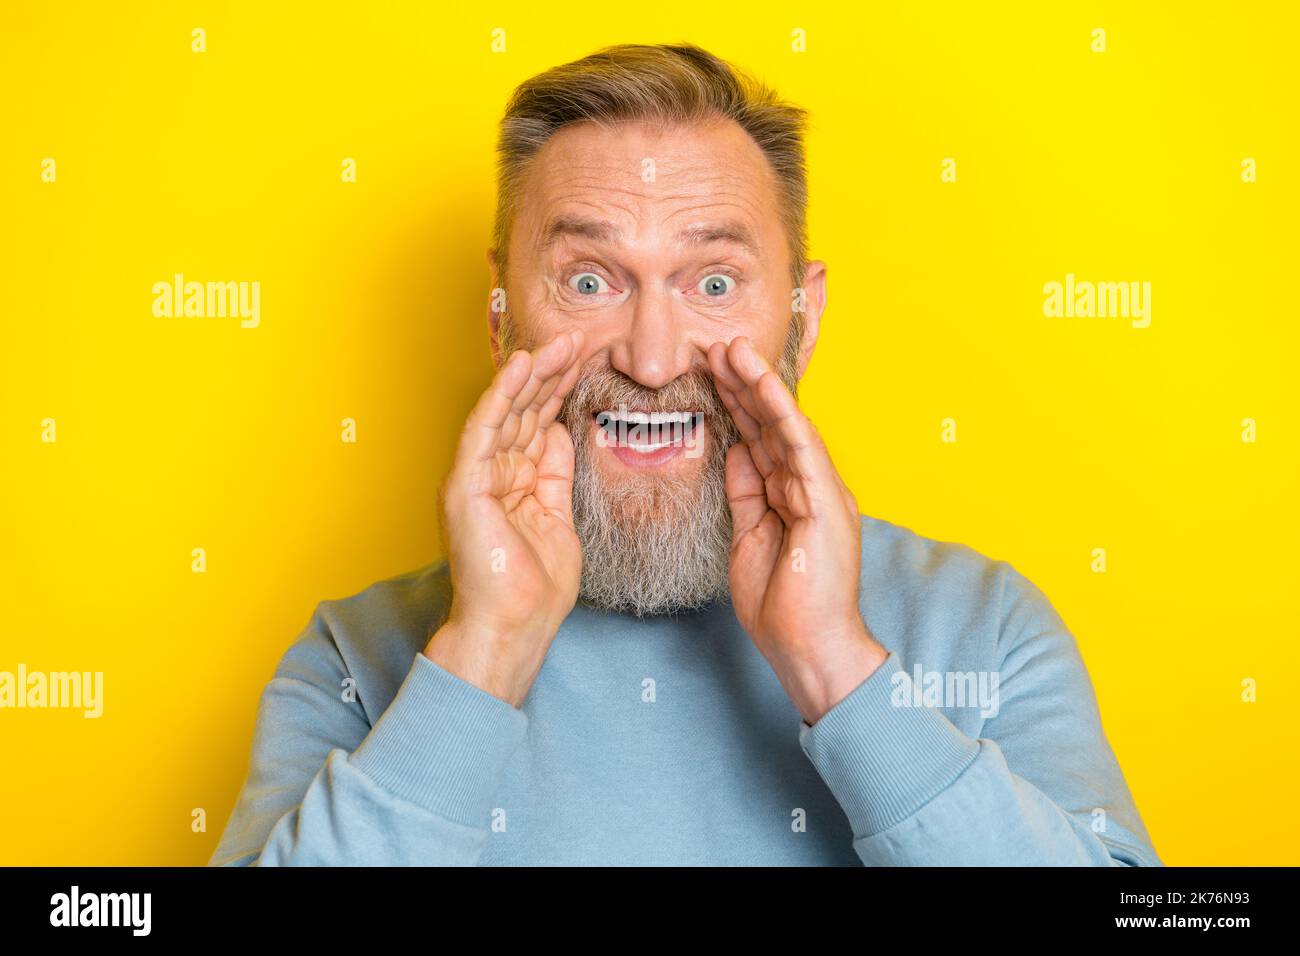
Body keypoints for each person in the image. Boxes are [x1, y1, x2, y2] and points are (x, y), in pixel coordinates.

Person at [210, 42, 1161, 866]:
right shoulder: (356, 659)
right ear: (501, 317)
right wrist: (485, 654)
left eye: (713, 280)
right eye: (589, 279)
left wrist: (836, 668)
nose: (654, 359)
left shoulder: (986, 632)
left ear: (806, 312)